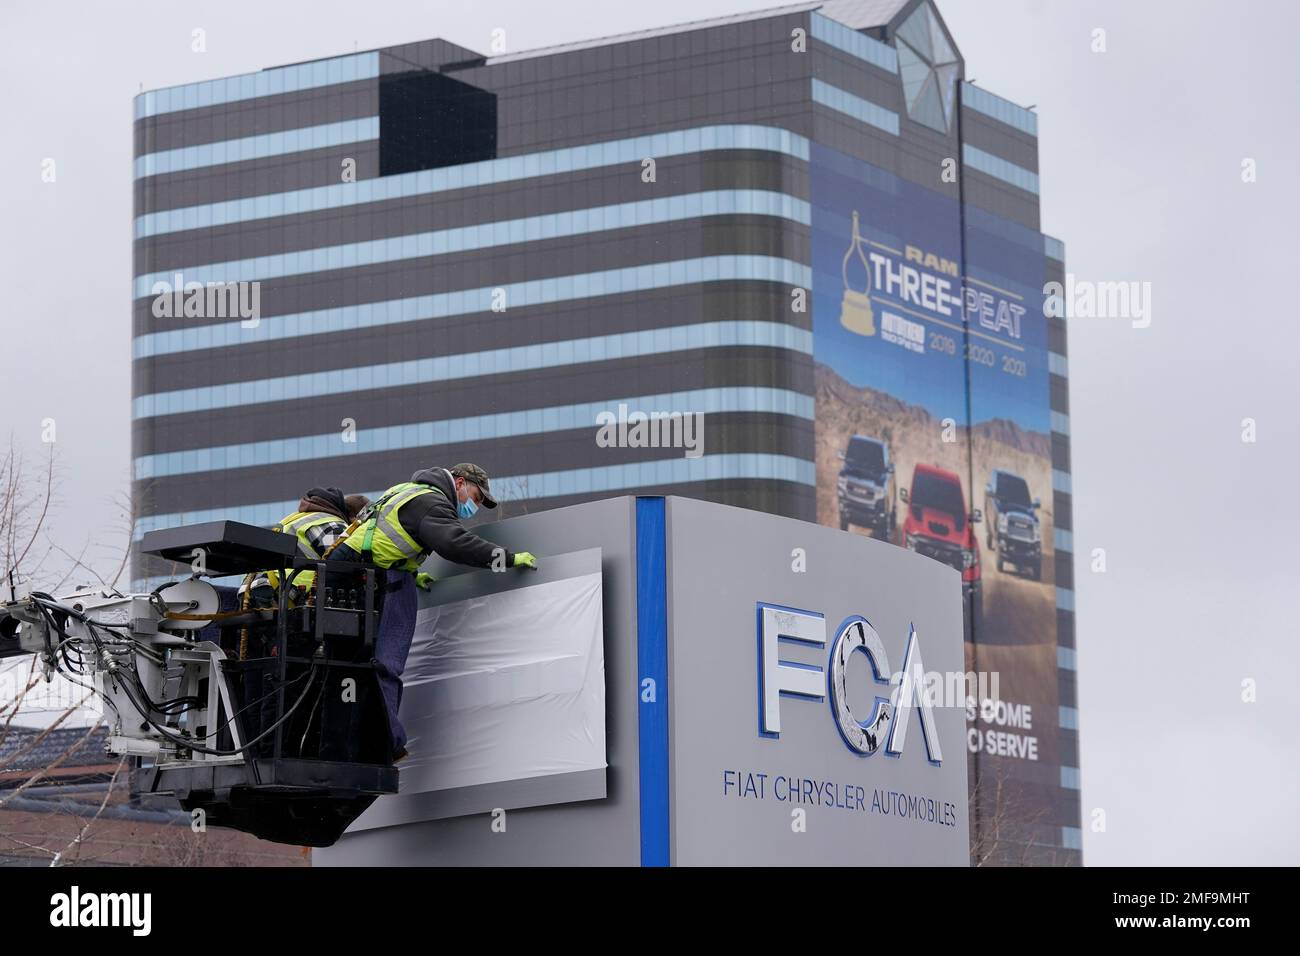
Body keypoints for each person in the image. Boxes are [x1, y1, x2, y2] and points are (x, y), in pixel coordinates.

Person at [323, 463, 538, 761]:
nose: (475, 506)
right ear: (460, 483)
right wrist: (506, 557)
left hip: (350, 570)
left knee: (350, 667)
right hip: (369, 576)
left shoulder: (407, 491)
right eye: (476, 497)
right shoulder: (432, 502)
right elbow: (454, 542)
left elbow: (388, 538)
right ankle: (384, 745)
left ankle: (345, 748)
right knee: (385, 662)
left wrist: (410, 570)